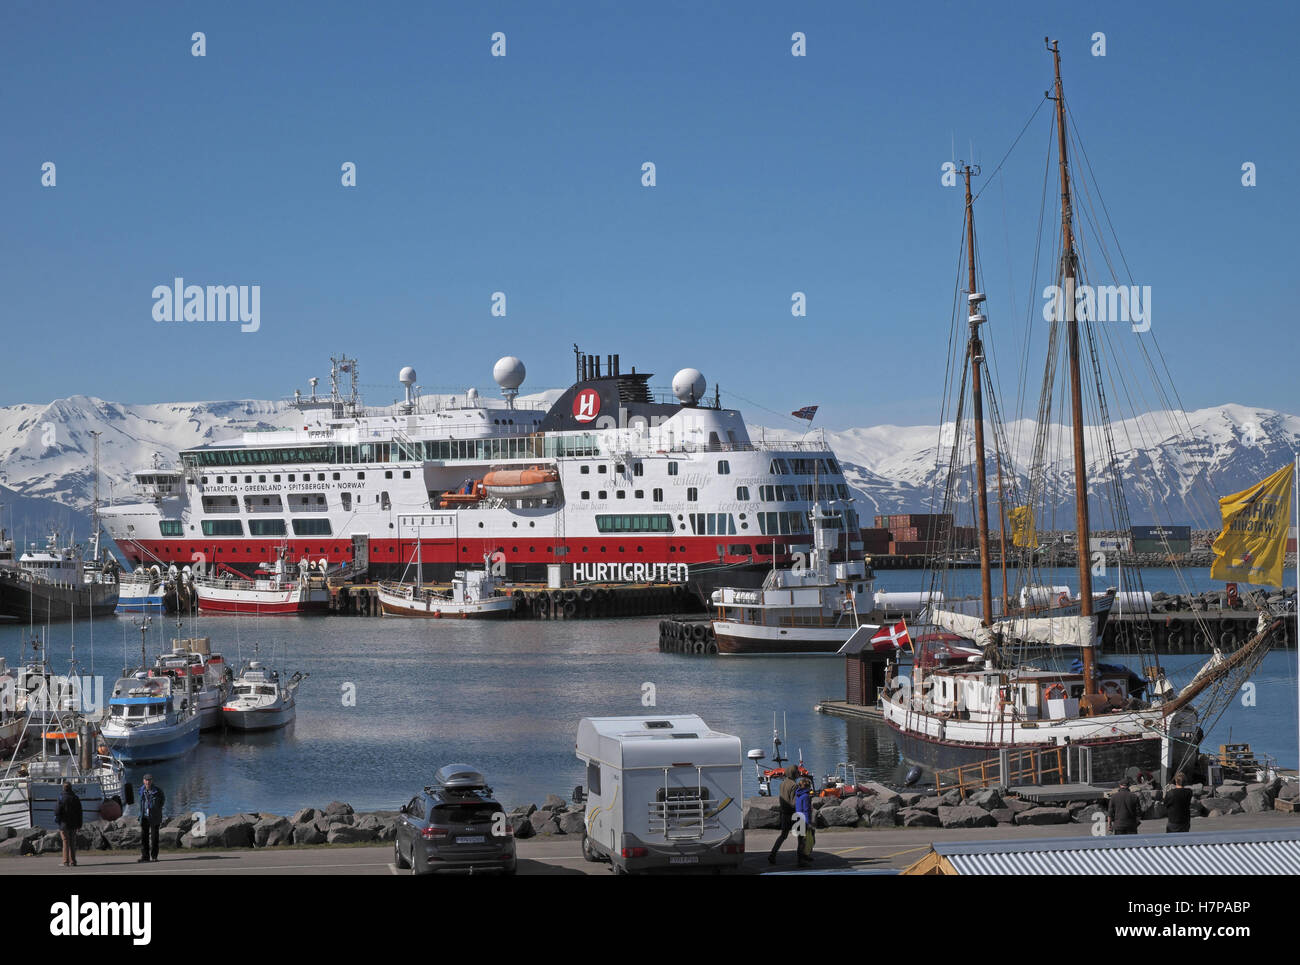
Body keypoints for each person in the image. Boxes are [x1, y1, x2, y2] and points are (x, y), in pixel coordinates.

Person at [767, 764, 800, 865]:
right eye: (797, 771)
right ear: (794, 773)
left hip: (784, 813)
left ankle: (773, 854)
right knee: (801, 836)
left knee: (783, 835)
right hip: (793, 813)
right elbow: (794, 802)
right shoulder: (794, 785)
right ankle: (801, 859)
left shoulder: (783, 783)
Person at [54, 782, 83, 867]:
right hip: (74, 824)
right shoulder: (75, 798)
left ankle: (65, 861)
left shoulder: (61, 798)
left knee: (65, 842)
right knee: (72, 843)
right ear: (71, 788)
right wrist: (79, 825)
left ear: (63, 788)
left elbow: (56, 811)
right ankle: (73, 861)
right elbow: (80, 813)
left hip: (64, 824)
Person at [138, 774, 165, 863]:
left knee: (154, 838)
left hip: (155, 817)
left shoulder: (158, 791)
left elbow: (162, 801)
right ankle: (145, 856)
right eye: (146, 780)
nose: (148, 782)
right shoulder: (141, 790)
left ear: (152, 781)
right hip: (144, 816)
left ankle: (154, 856)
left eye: (149, 780)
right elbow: (141, 803)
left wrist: (156, 809)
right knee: (144, 837)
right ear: (143, 781)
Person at [794, 777, 815, 868]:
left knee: (801, 840)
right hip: (804, 821)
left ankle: (804, 857)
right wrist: (809, 823)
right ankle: (801, 860)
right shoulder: (806, 796)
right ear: (807, 786)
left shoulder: (798, 795)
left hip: (798, 819)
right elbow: (806, 810)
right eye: (809, 786)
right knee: (804, 841)